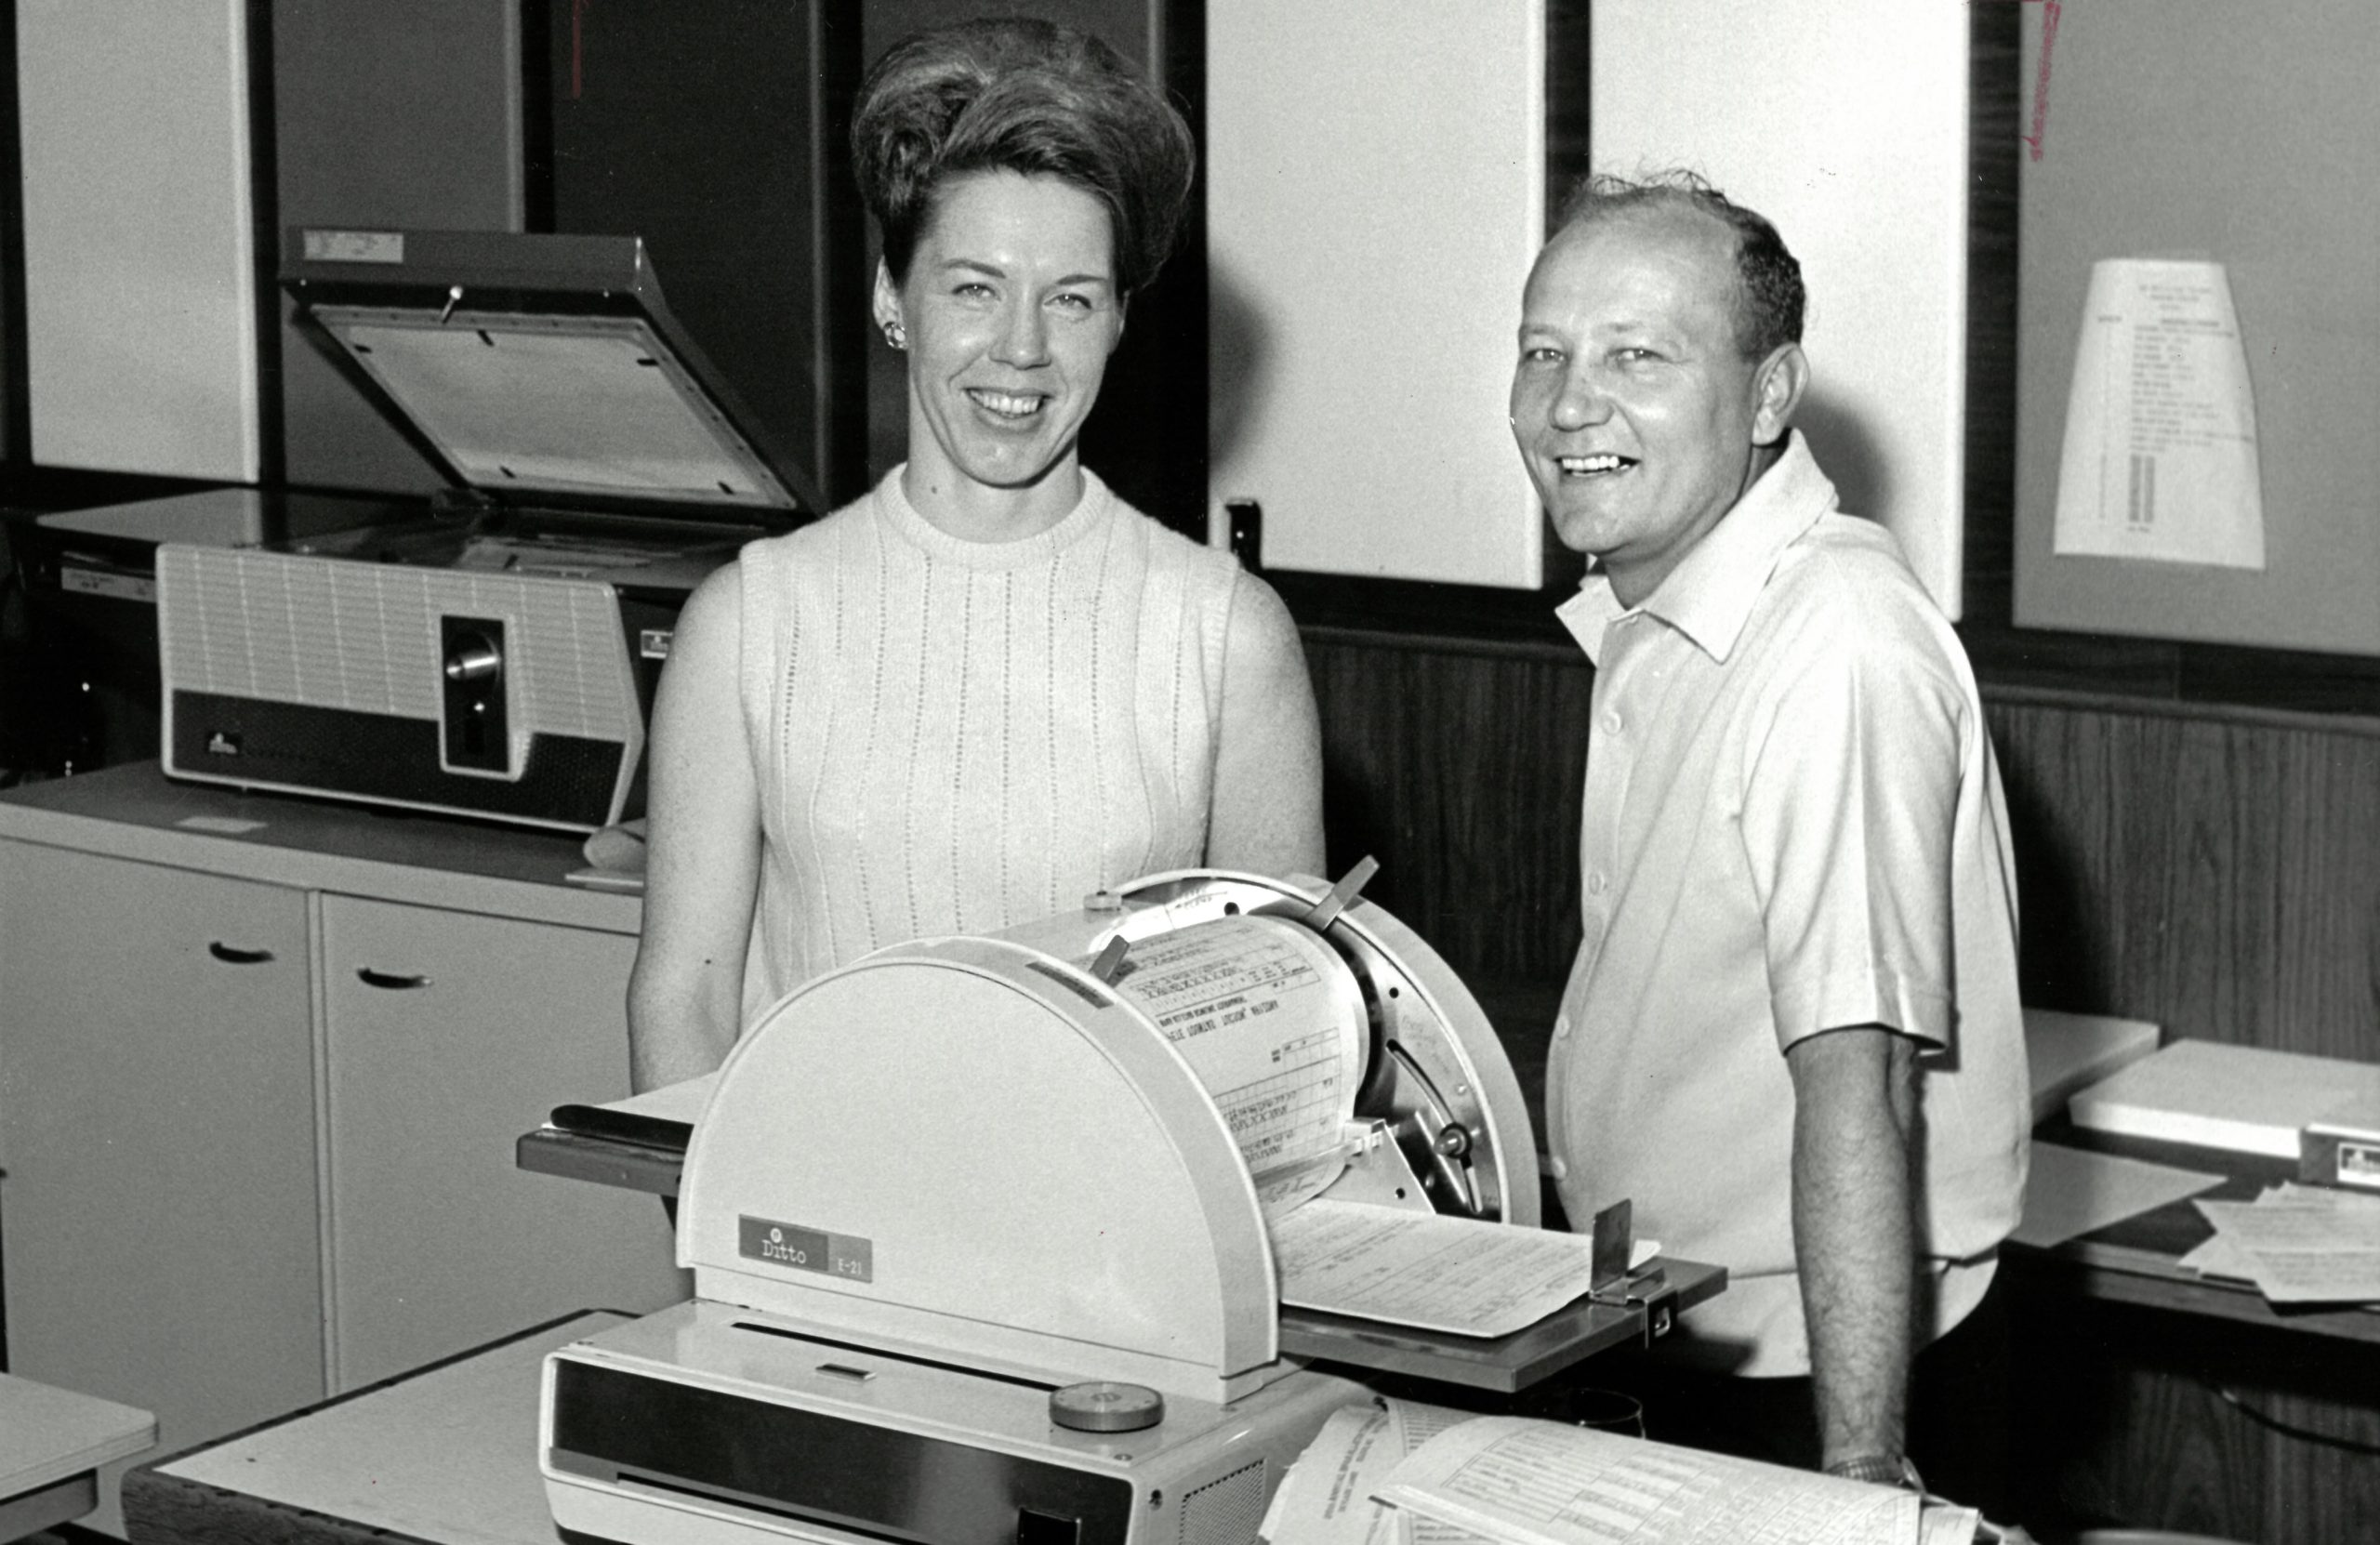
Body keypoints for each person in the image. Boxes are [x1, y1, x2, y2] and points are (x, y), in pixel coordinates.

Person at [628, 18, 1323, 1093]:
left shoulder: (1224, 634)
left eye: (1072, 299)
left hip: (1108, 1245)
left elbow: (1281, 1039)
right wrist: (719, 1234)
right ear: (889, 299)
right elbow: (685, 995)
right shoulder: (750, 624)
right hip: (814, 1231)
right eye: (972, 287)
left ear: (1118, 322)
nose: (1023, 348)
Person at [1511, 172, 2029, 1511]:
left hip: (1815, 1381)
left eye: (1638, 355)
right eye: (1545, 352)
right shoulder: (1665, 607)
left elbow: (1860, 1084)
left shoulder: (1836, 643)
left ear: (1768, 394)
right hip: (1678, 1332)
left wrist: (1856, 1479)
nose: (1571, 404)